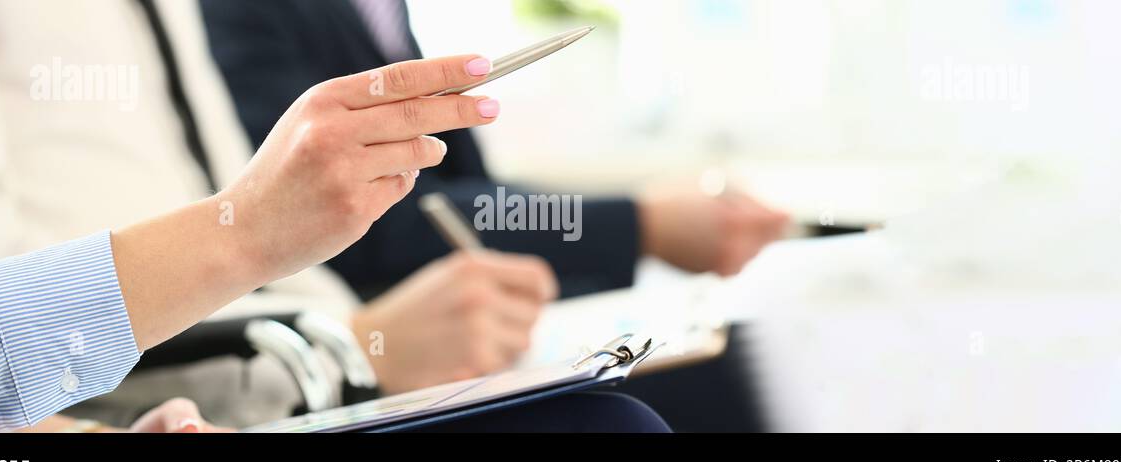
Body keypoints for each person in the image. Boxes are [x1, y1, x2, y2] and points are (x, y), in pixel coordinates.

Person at [0, 0, 558, 427]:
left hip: (251, 365)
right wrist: (353, 346)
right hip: (145, 380)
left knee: (596, 410)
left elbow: (231, 197)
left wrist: (351, 330)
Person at [200, 0, 793, 299]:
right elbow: (364, 219)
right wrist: (640, 226)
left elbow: (459, 189)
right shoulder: (235, 12)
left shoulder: (381, 9)